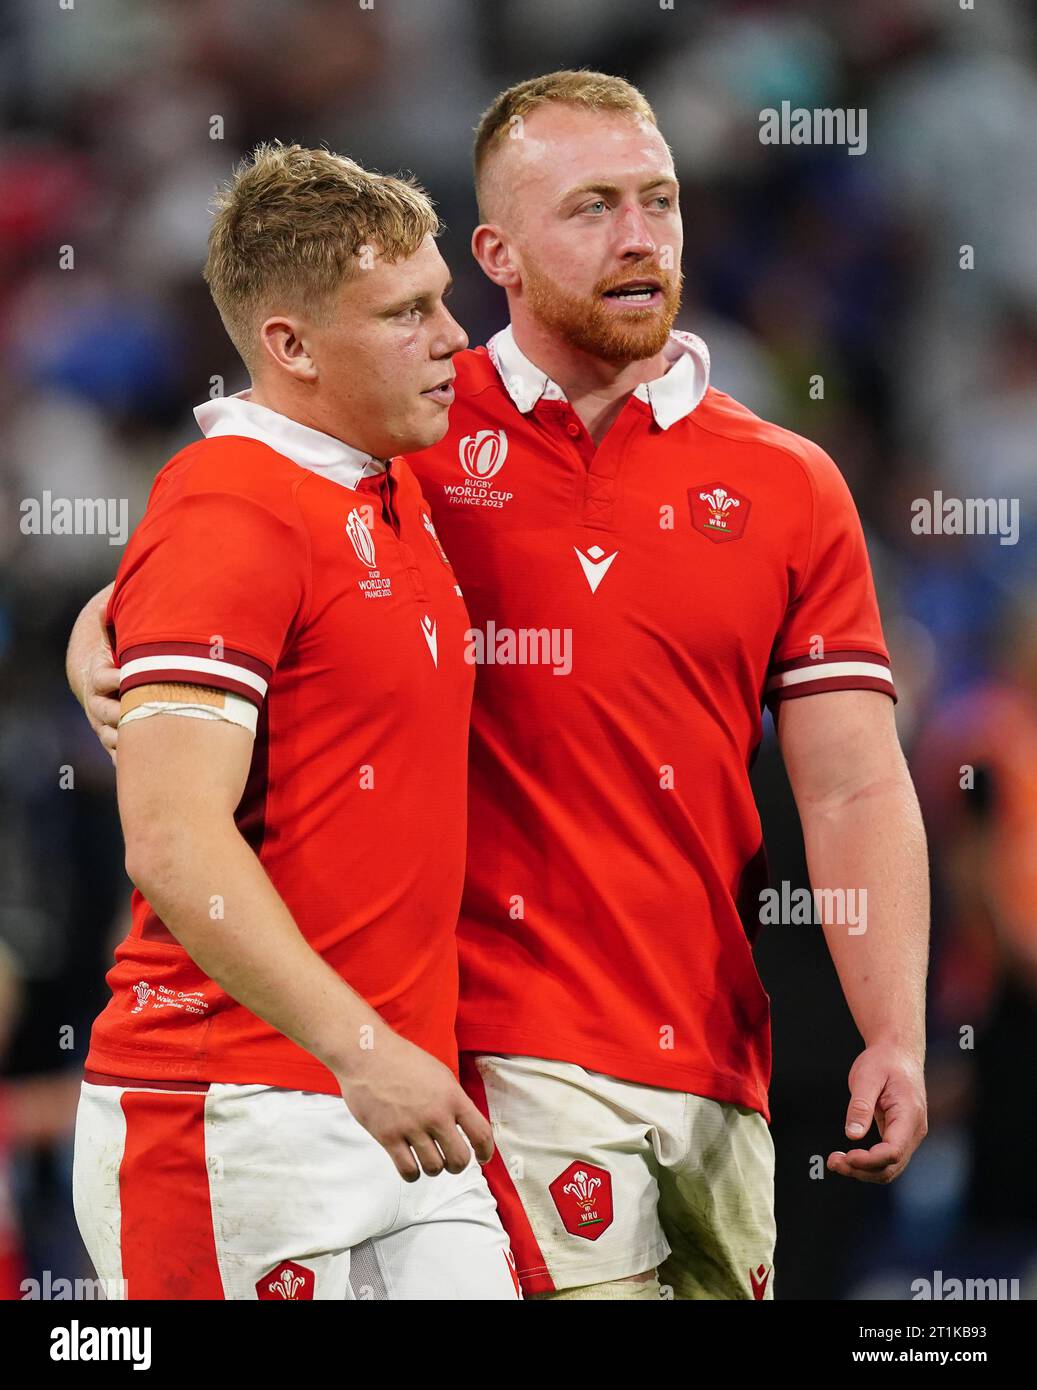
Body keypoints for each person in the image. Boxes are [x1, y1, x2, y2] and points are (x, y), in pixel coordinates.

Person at [70, 72, 930, 1302]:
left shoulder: (789, 482)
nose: (638, 237)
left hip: (712, 1059)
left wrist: (891, 1026)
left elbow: (851, 781)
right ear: (499, 254)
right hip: (475, 1064)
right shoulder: (408, 429)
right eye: (590, 208)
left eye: (659, 202)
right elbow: (223, 542)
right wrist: (103, 631)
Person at [66, 143, 518, 1301]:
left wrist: (106, 613)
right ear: (290, 345)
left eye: (443, 302)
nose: (452, 339)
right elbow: (171, 839)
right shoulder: (231, 510)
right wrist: (362, 1050)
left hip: (397, 1100)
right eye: (407, 311)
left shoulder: (381, 483)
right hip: (232, 1110)